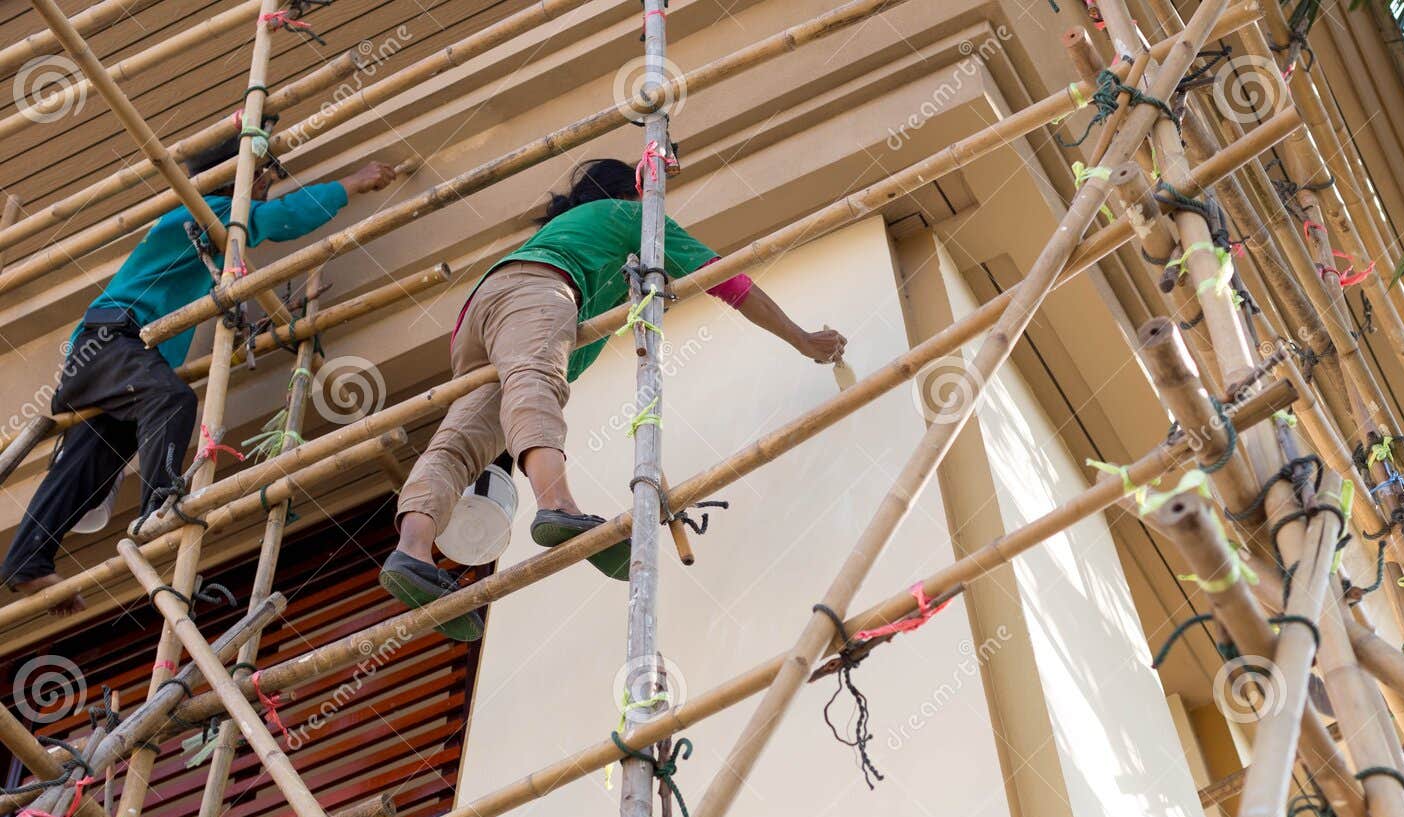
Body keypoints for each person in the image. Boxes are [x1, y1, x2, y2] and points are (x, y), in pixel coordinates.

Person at [380, 157, 847, 640]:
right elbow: (727, 280)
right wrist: (803, 339)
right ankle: (557, 505)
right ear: (634, 194)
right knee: (535, 383)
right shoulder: (632, 218)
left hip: (476, 318)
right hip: (534, 290)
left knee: (462, 443)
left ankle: (411, 551)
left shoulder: (574, 234)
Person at [0, 142, 399, 614]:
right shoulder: (205, 213)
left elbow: (224, 302)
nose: (270, 183)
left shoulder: (202, 240)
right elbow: (278, 220)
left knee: (88, 467)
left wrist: (272, 318)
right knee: (172, 401)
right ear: (239, 179)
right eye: (265, 173)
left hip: (116, 359)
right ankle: (160, 510)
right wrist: (352, 183)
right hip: (111, 343)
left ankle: (26, 562)